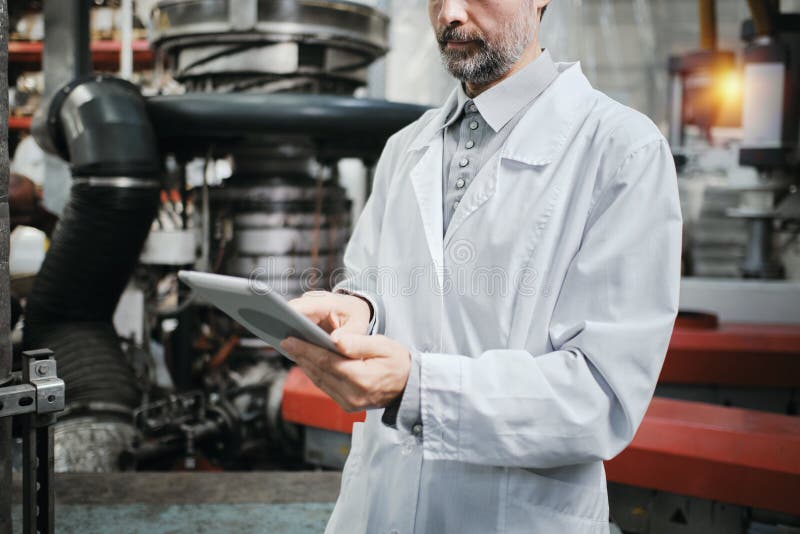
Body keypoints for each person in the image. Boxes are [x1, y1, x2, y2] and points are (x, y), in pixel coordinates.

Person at [279, 0, 682, 532]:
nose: (449, 13)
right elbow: (374, 281)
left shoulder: (621, 150)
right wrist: (355, 309)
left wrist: (418, 389)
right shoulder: (405, 147)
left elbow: (601, 395)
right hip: (380, 504)